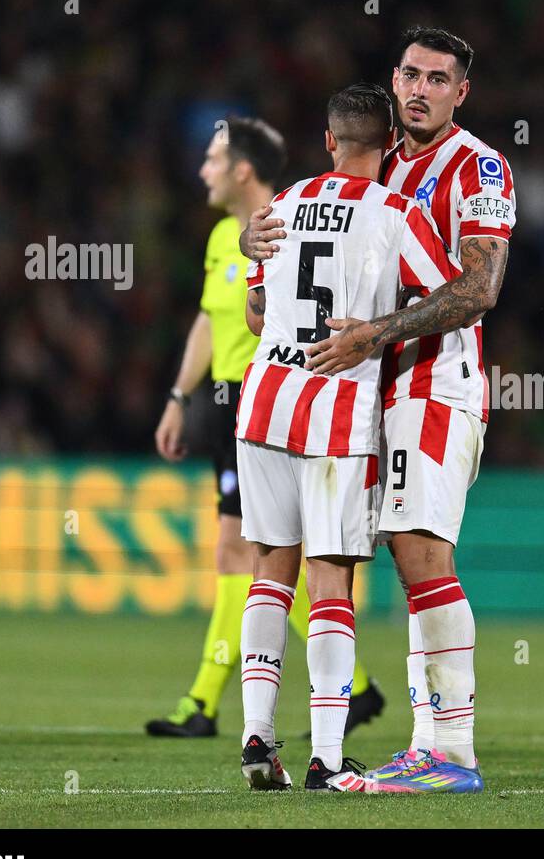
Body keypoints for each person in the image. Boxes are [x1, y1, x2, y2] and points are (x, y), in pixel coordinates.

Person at [241, 27, 516, 794]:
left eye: (438, 78)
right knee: (398, 555)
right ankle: (426, 743)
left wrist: (377, 334)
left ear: (461, 93)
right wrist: (253, 260)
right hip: (364, 392)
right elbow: (277, 280)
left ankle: (452, 751)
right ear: (392, 84)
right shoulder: (374, 165)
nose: (420, 88)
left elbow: (478, 290)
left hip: (435, 384)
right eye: (410, 74)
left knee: (421, 551)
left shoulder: (479, 166)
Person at [146, 116, 382, 738]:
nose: (203, 170)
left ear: (242, 169)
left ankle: (205, 703)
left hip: (277, 404)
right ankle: (349, 687)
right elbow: (208, 318)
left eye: (213, 159)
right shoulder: (227, 238)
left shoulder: (292, 222)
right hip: (231, 410)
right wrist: (178, 395)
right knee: (261, 556)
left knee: (261, 556)